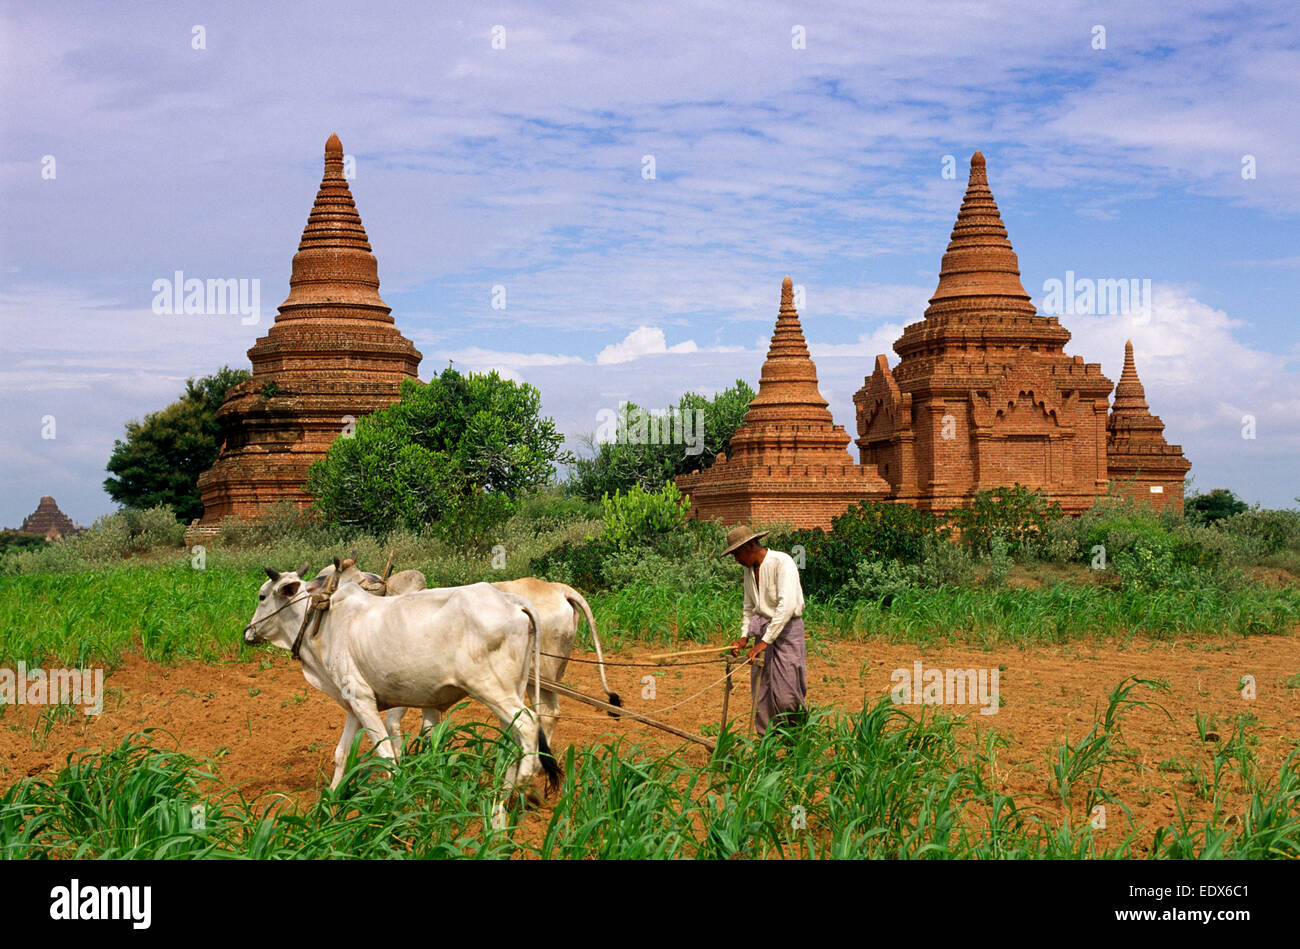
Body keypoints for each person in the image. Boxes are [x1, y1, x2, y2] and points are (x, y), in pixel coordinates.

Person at [721, 525, 807, 735]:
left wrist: (763, 642)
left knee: (787, 694)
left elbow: (785, 606)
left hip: (786, 632)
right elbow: (749, 607)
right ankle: (766, 740)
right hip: (763, 633)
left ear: (750, 546)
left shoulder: (782, 562)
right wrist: (744, 637)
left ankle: (796, 738)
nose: (736, 560)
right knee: (762, 690)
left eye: (737, 554)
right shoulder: (749, 571)